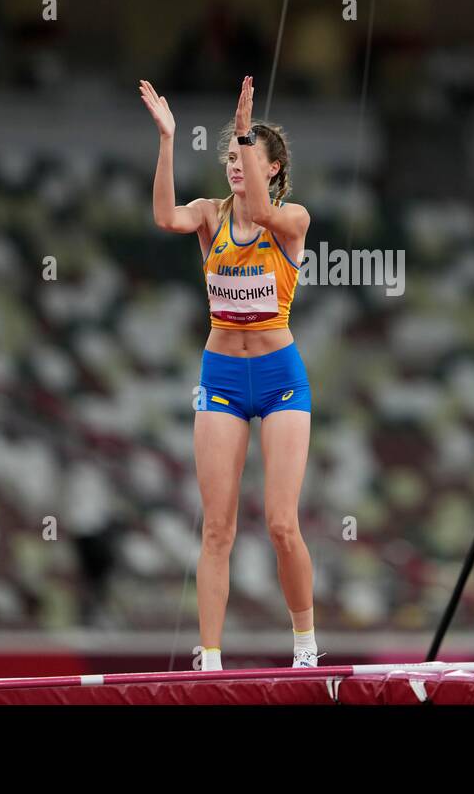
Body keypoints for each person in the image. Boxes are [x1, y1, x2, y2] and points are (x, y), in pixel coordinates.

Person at [140, 75, 318, 669]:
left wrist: (243, 130)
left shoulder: (290, 220)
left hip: (280, 378)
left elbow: (263, 211)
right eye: (230, 158)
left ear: (272, 168)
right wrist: (167, 139)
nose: (235, 166)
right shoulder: (209, 216)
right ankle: (210, 656)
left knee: (280, 523)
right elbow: (164, 216)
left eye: (247, 157)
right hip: (219, 377)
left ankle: (304, 642)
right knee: (216, 527)